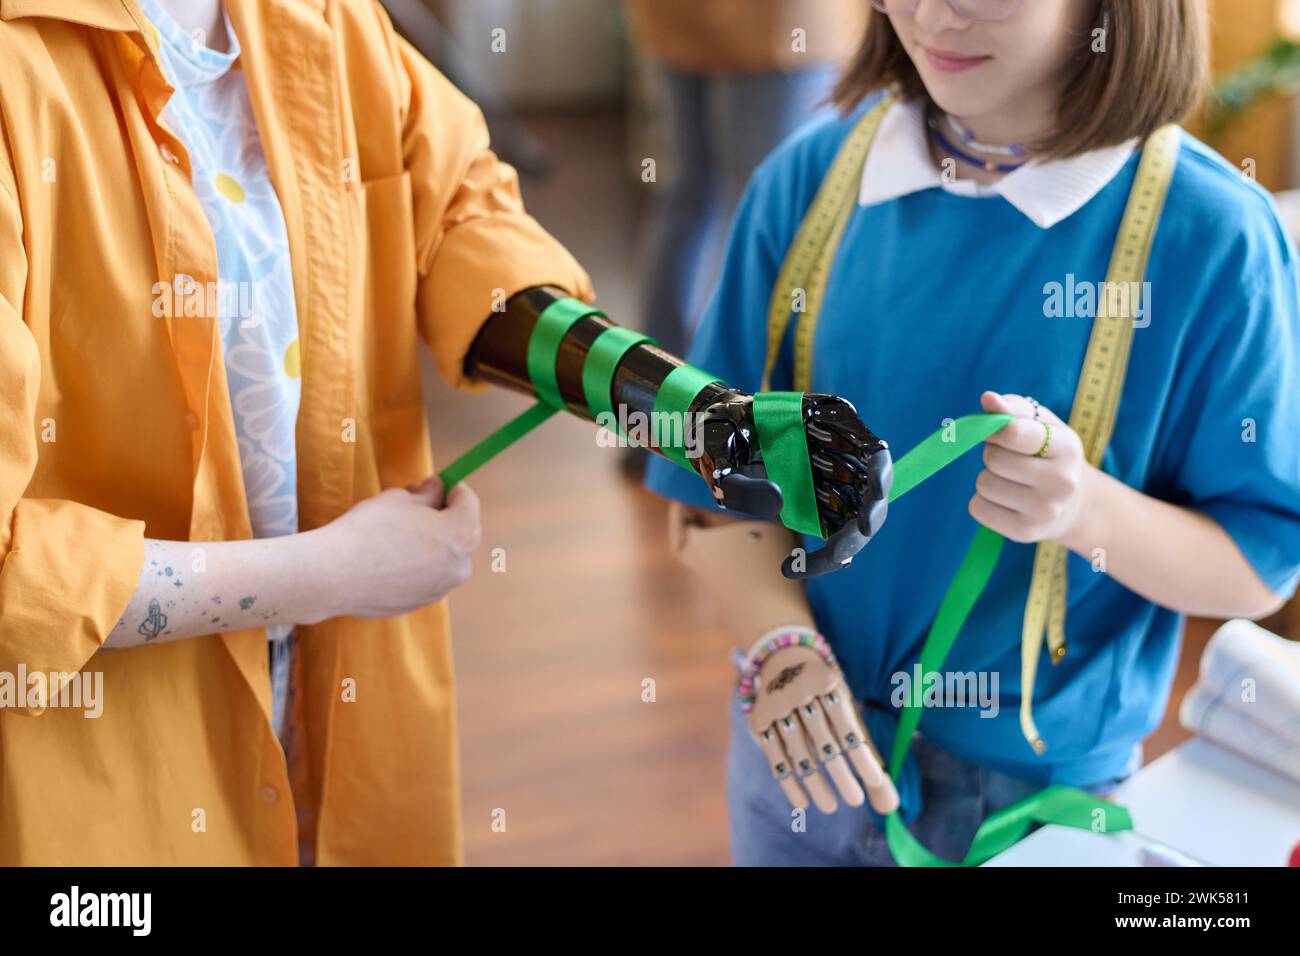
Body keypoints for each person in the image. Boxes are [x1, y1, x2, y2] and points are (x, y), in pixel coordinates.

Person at [0, 0, 886, 865]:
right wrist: (331, 573)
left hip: (332, 708)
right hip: (104, 756)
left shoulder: (326, 23)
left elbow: (463, 224)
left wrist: (694, 415)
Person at [645, 0, 1300, 866]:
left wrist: (1087, 513)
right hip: (792, 762)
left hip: (1030, 803)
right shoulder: (806, 182)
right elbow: (711, 494)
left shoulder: (1211, 237)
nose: (930, 13)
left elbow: (1259, 563)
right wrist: (781, 648)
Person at [625, 0, 866, 362]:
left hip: (679, 21)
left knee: (689, 198)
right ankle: (739, 388)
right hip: (775, 27)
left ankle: (653, 380)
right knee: (770, 215)